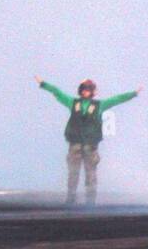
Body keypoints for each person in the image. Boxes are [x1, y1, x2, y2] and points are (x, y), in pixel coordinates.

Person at [36, 76, 142, 205]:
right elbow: (57, 92)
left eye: (88, 89)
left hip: (90, 146)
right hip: (75, 144)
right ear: (80, 90)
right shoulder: (73, 103)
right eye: (84, 89)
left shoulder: (99, 105)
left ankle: (90, 201)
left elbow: (117, 99)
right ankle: (71, 199)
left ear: (92, 91)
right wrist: (43, 84)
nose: (85, 91)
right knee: (73, 174)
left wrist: (133, 93)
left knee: (90, 175)